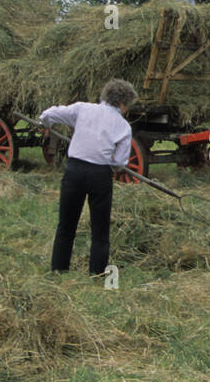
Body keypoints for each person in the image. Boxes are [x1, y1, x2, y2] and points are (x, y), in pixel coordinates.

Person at [39, 79, 138, 277]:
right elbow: (120, 162)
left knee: (66, 225)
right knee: (100, 230)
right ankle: (97, 273)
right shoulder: (123, 126)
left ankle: (58, 270)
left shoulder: (82, 109)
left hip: (74, 171)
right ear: (123, 104)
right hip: (100, 176)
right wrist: (109, 159)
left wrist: (46, 125)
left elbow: (48, 114)